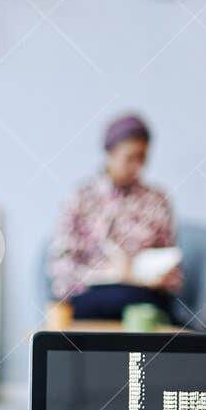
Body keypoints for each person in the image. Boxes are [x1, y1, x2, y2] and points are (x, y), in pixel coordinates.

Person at [47, 113, 183, 321]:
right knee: (122, 299)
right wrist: (113, 273)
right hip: (92, 295)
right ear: (110, 153)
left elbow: (172, 267)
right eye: (130, 158)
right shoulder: (81, 198)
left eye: (142, 158)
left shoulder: (157, 200)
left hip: (146, 296)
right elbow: (60, 269)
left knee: (145, 306)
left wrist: (162, 279)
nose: (137, 167)